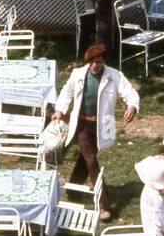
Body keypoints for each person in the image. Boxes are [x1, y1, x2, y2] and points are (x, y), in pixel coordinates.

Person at [52, 44, 140, 221]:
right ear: (87, 62)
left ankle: (73, 190)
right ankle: (104, 204)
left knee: (86, 159)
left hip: (102, 126)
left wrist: (132, 106)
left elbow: (130, 93)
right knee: (91, 160)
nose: (95, 66)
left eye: (98, 62)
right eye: (91, 62)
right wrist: (60, 110)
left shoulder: (114, 76)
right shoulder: (78, 74)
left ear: (103, 61)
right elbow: (66, 92)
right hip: (82, 123)